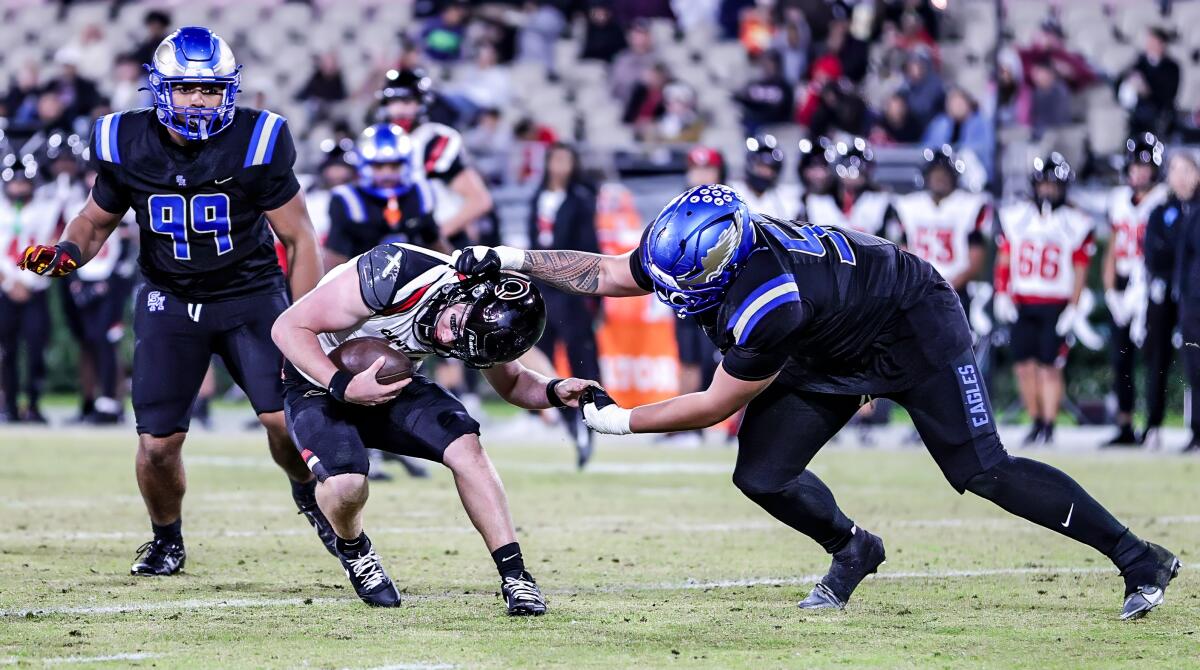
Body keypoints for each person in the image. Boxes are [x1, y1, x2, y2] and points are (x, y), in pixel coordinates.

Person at [452, 184, 1182, 621]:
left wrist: (620, 419)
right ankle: (853, 549)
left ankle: (1137, 558)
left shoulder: (769, 302)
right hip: (836, 338)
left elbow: (712, 404)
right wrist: (516, 259)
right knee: (762, 472)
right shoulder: (703, 245)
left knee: (980, 468)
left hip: (910, 323)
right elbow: (613, 271)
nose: (672, 297)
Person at [17, 27, 333, 575]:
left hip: (250, 297)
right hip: (170, 297)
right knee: (158, 445)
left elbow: (300, 237)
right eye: (186, 88)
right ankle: (167, 539)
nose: (198, 101)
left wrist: (305, 321)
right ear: (160, 88)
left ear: (229, 91)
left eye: (210, 90)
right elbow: (96, 220)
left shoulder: (258, 140)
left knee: (284, 423)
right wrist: (68, 252)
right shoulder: (123, 140)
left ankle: (309, 494)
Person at [272, 241, 594, 611]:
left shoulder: (474, 325)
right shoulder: (395, 274)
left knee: (466, 445)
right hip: (318, 383)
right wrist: (341, 385)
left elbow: (513, 383)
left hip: (393, 384)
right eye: (456, 325)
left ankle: (516, 577)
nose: (448, 339)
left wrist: (556, 390)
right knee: (347, 486)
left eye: (464, 344)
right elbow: (288, 327)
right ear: (467, 288)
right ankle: (354, 548)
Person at [992, 154, 1094, 446]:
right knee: (1024, 366)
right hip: (1023, 301)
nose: (1048, 190)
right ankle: (1035, 422)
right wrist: (1002, 290)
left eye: (1053, 184)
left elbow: (1080, 267)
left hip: (1055, 303)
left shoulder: (1073, 221)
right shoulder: (1018, 216)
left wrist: (1074, 306)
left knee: (1051, 367)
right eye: (1044, 183)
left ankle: (1049, 425)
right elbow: (1006, 254)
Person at [528, 143, 601, 466]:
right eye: (555, 159)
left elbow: (589, 247)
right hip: (543, 289)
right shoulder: (537, 197)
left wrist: (591, 294)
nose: (559, 166)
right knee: (539, 353)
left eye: (565, 160)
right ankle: (552, 416)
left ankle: (591, 415)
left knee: (580, 356)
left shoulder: (581, 201)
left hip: (571, 290)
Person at [376, 68, 493, 248]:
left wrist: (434, 237)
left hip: (439, 243)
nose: (399, 109)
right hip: (395, 243)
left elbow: (479, 201)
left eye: (406, 101)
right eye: (393, 101)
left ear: (422, 103)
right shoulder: (378, 140)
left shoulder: (435, 139)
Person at [1102, 134, 1168, 447]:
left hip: (1152, 284)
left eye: (1145, 166)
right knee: (1121, 358)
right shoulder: (1118, 200)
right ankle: (1125, 423)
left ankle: (1153, 424)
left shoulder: (1164, 199)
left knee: (1154, 357)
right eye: (1135, 165)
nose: (1139, 172)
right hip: (1126, 282)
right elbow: (1113, 247)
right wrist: (1110, 288)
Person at [324, 124, 439, 269]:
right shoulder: (347, 200)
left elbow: (436, 246)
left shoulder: (420, 193)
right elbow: (335, 261)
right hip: (360, 281)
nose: (387, 174)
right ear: (363, 165)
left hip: (414, 279)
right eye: (378, 166)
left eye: (394, 166)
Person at [1142, 152, 1195, 450]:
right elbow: (1154, 250)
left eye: (1186, 170)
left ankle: (1196, 428)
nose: (1180, 176)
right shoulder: (1163, 210)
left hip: (1192, 295)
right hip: (1165, 293)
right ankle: (1153, 424)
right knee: (1157, 360)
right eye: (1175, 170)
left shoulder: (1196, 210)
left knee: (1195, 360)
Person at [0, 155, 59, 424]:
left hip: (35, 288)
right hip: (5, 289)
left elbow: (53, 243)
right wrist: (10, 282)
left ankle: (33, 403)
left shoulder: (46, 209)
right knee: (6, 350)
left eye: (25, 182)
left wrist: (29, 281)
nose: (20, 188)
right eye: (16, 183)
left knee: (36, 347)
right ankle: (9, 405)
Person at [894, 145, 988, 310]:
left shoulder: (967, 205)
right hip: (918, 291)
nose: (940, 178)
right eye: (935, 173)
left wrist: (948, 286)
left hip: (956, 291)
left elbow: (975, 260)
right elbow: (904, 252)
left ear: (953, 176)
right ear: (927, 176)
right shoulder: (911, 205)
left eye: (944, 173)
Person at [802, 137, 898, 239]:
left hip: (870, 254)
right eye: (846, 166)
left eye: (858, 168)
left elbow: (894, 240)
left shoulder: (880, 201)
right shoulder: (816, 201)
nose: (851, 174)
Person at [1116, 27, 1179, 138]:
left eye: (1152, 42)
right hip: (1139, 113)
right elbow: (1121, 78)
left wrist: (1147, 90)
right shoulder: (1140, 63)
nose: (1148, 45)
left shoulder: (1172, 67)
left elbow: (1168, 94)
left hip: (1160, 112)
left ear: (1162, 44)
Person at [729, 134, 799, 220]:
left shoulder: (786, 200)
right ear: (750, 165)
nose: (765, 172)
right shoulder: (733, 193)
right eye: (760, 166)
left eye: (769, 168)